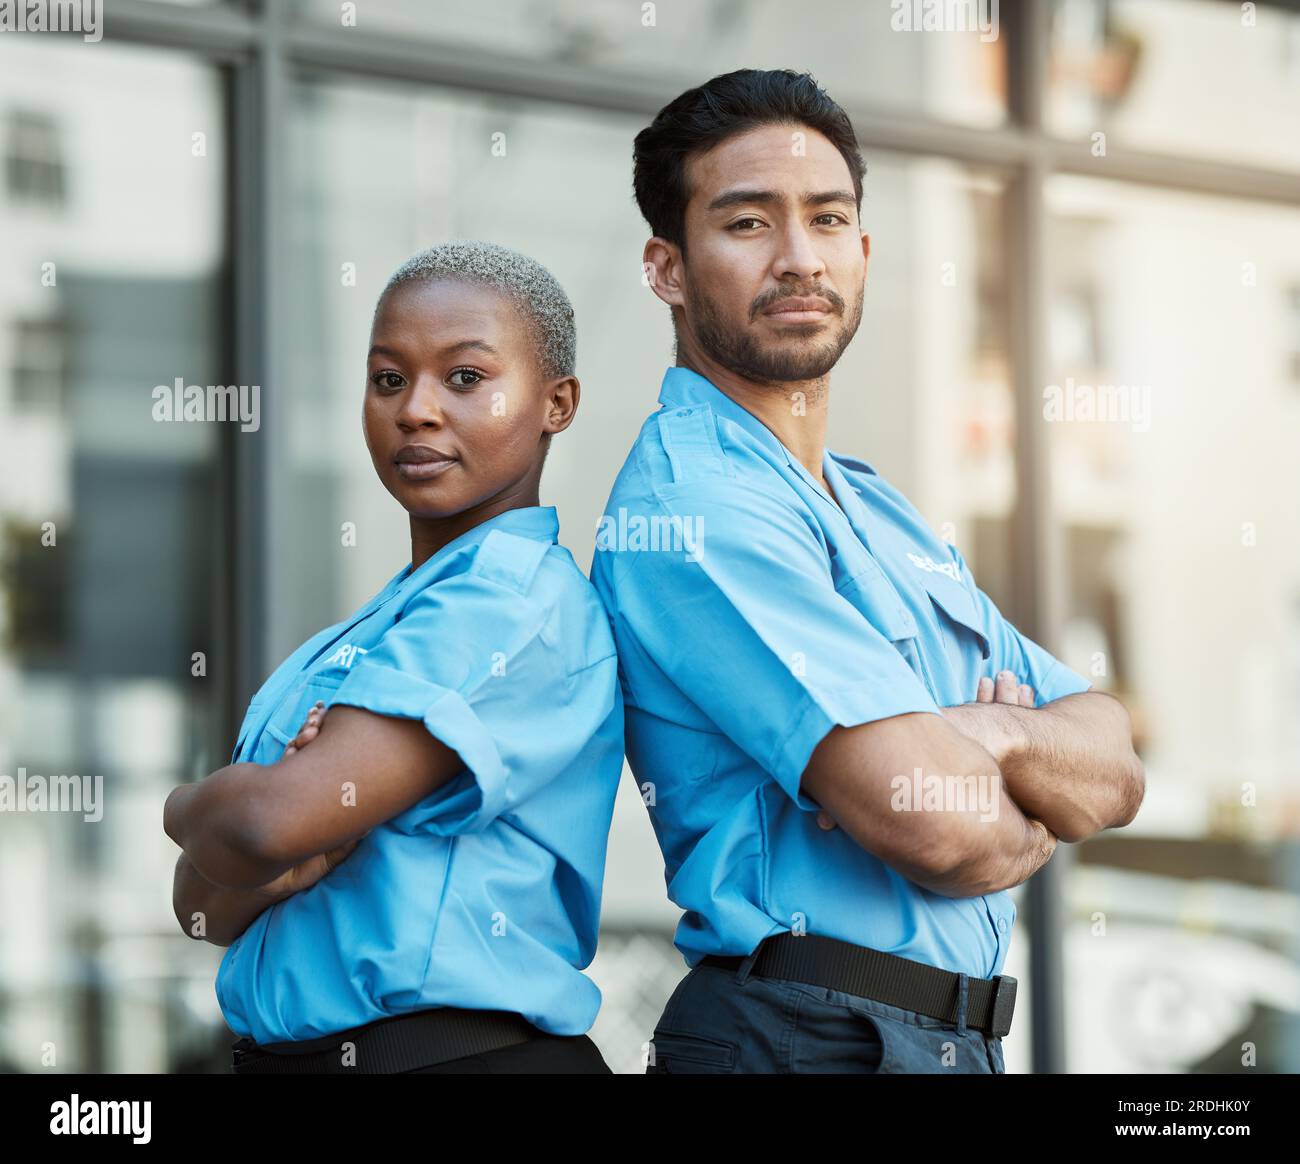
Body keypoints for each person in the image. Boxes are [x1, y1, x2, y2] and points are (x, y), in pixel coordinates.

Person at [590, 68, 1146, 1074]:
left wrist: (985, 733)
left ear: (864, 249)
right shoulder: (692, 507)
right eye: (748, 224)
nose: (799, 258)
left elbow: (1113, 763)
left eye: (828, 218)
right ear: (667, 269)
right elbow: (933, 826)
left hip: (941, 1040)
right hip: (805, 1038)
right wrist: (1021, 785)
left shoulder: (872, 506)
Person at [164, 240, 622, 1074]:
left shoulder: (510, 606)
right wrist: (256, 845)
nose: (416, 409)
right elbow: (200, 907)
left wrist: (188, 805)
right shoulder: (370, 631)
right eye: (388, 379)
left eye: (465, 378)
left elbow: (261, 825)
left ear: (557, 403)